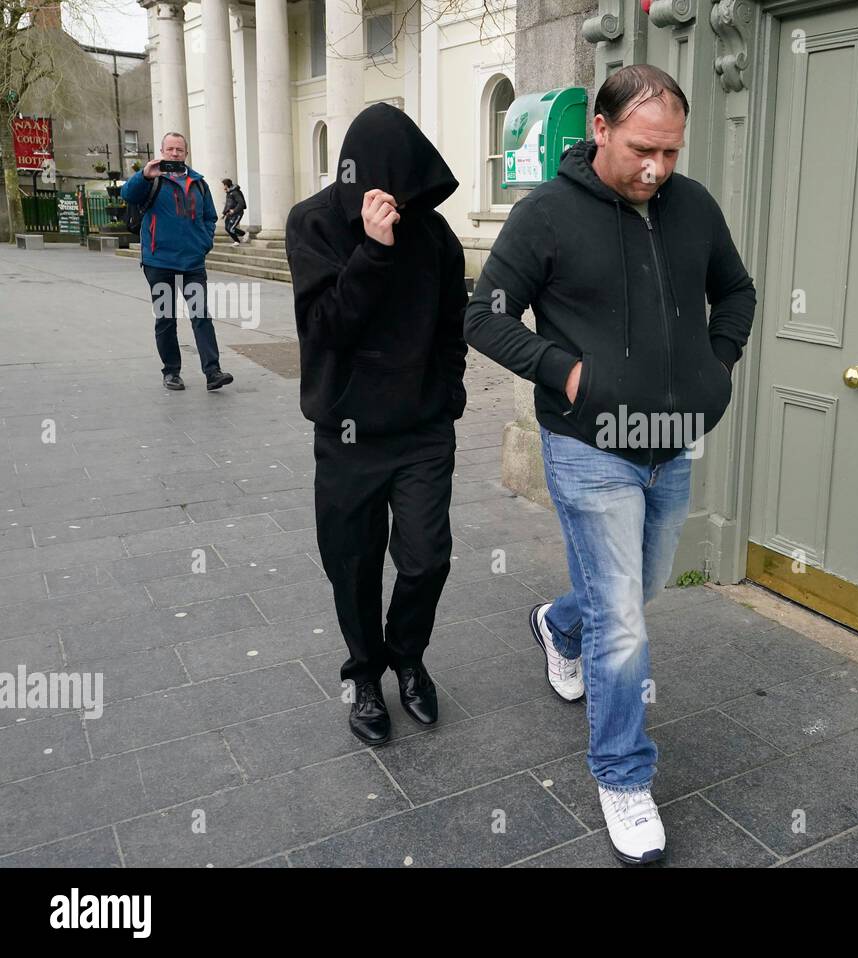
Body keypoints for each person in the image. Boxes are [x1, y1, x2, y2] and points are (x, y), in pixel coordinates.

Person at [463, 65, 756, 864]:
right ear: (600, 129)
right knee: (622, 617)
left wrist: (717, 364)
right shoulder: (547, 214)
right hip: (590, 446)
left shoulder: (691, 205)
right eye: (640, 150)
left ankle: (557, 624)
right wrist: (570, 374)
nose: (656, 169)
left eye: (669, 151)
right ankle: (624, 776)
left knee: (641, 587)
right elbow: (483, 318)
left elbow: (736, 291)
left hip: (673, 441)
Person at [285, 103, 468, 747]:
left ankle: (407, 656)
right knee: (353, 564)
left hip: (421, 432)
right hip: (346, 433)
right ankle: (364, 673)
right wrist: (371, 251)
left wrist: (448, 395)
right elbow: (326, 329)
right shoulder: (313, 224)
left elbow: (453, 330)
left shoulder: (438, 238)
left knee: (426, 560)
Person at [121, 132, 234, 391]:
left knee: (201, 315)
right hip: (159, 262)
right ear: (162, 151)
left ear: (186, 153)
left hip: (192, 263)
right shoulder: (152, 180)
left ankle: (213, 371)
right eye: (170, 149)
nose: (174, 154)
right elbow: (128, 194)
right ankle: (171, 371)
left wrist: (204, 244)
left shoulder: (199, 183)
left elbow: (209, 217)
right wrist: (144, 174)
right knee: (166, 317)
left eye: (179, 150)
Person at [220, 178, 247, 245]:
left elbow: (241, 203)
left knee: (231, 228)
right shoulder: (229, 193)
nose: (223, 187)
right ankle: (237, 240)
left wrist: (234, 210)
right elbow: (228, 204)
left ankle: (242, 236)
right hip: (229, 214)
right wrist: (224, 213)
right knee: (227, 228)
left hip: (237, 213)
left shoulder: (235, 192)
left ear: (226, 185)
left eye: (224, 185)